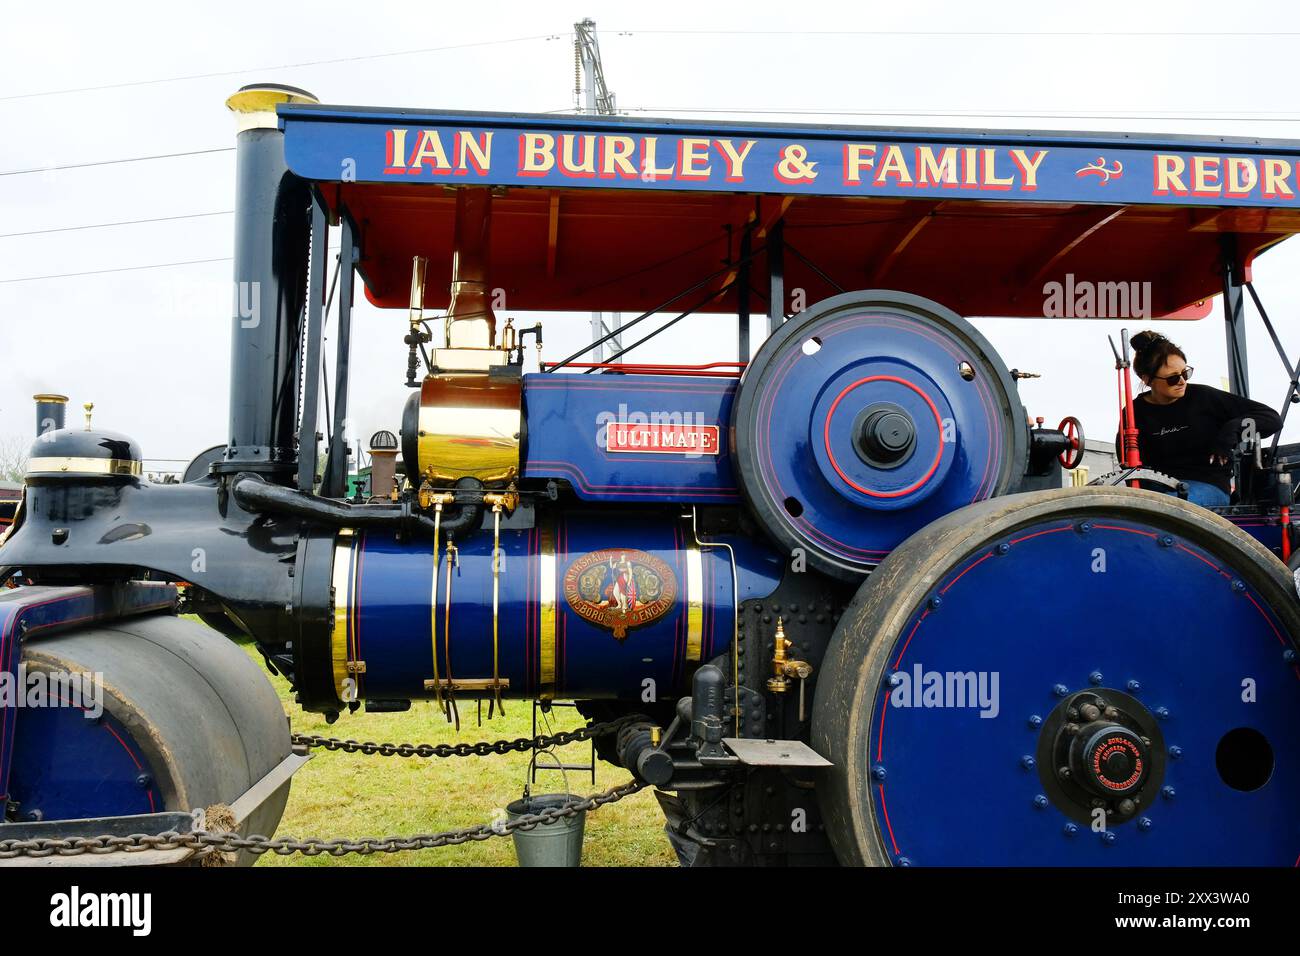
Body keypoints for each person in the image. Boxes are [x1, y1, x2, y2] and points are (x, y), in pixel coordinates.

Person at [1119, 330, 1281, 508]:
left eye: (1185, 373)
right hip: (1157, 491)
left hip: (1210, 487)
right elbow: (1128, 467)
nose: (1182, 381)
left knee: (1168, 506)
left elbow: (1272, 419)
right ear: (1147, 379)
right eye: (1173, 378)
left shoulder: (1204, 397)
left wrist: (1233, 429)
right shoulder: (1134, 412)